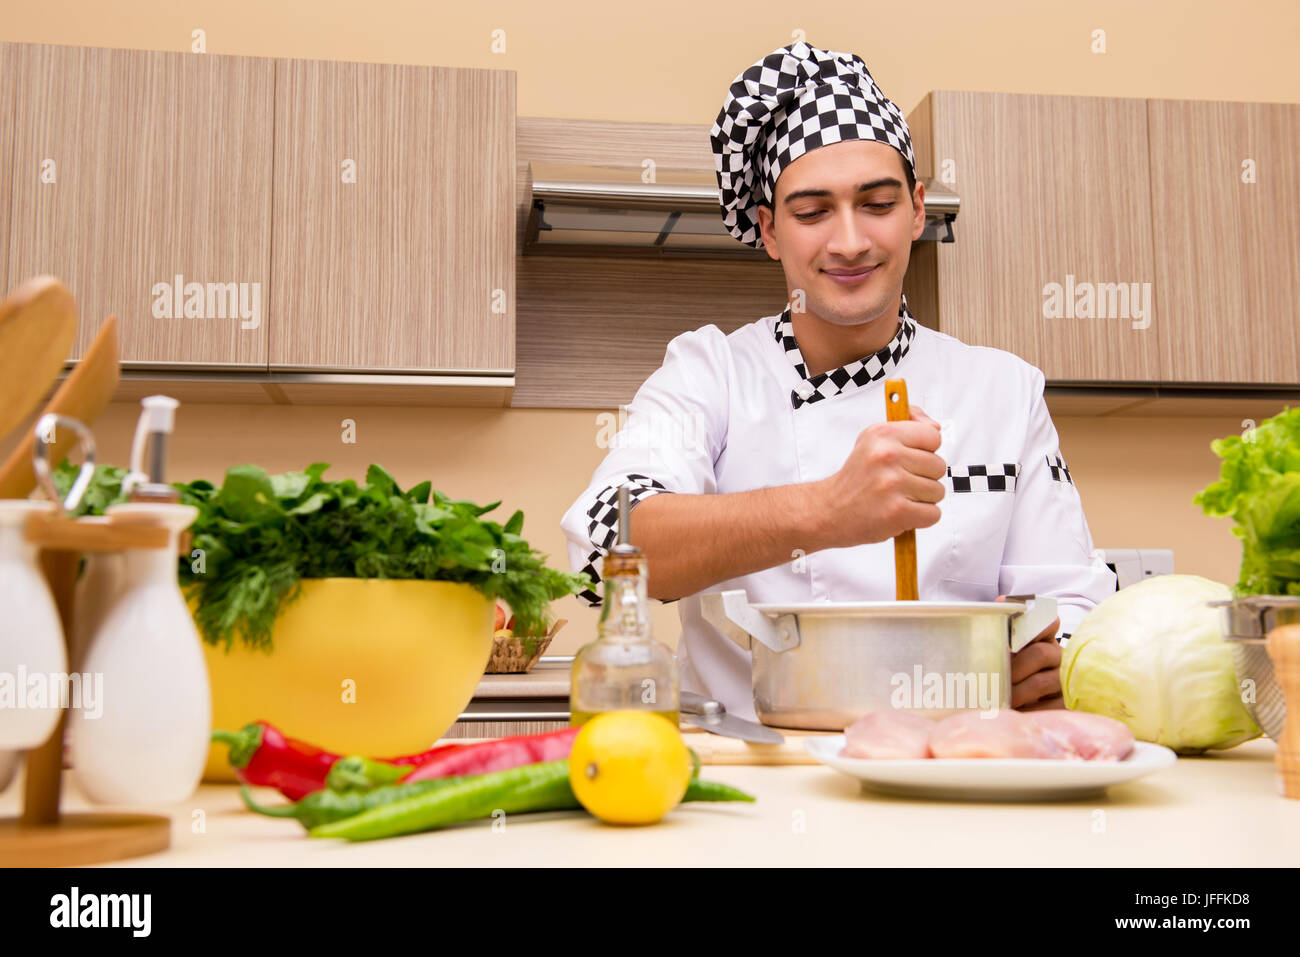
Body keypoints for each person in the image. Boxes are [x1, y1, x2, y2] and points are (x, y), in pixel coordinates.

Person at [560, 40, 1116, 721]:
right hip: (753, 781)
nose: (850, 241)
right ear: (768, 229)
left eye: (876, 203)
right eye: (812, 211)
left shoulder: (1003, 390)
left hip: (955, 776)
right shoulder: (713, 374)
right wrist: (826, 509)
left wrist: (1059, 661)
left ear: (916, 209)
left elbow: (1075, 601)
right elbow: (601, 551)